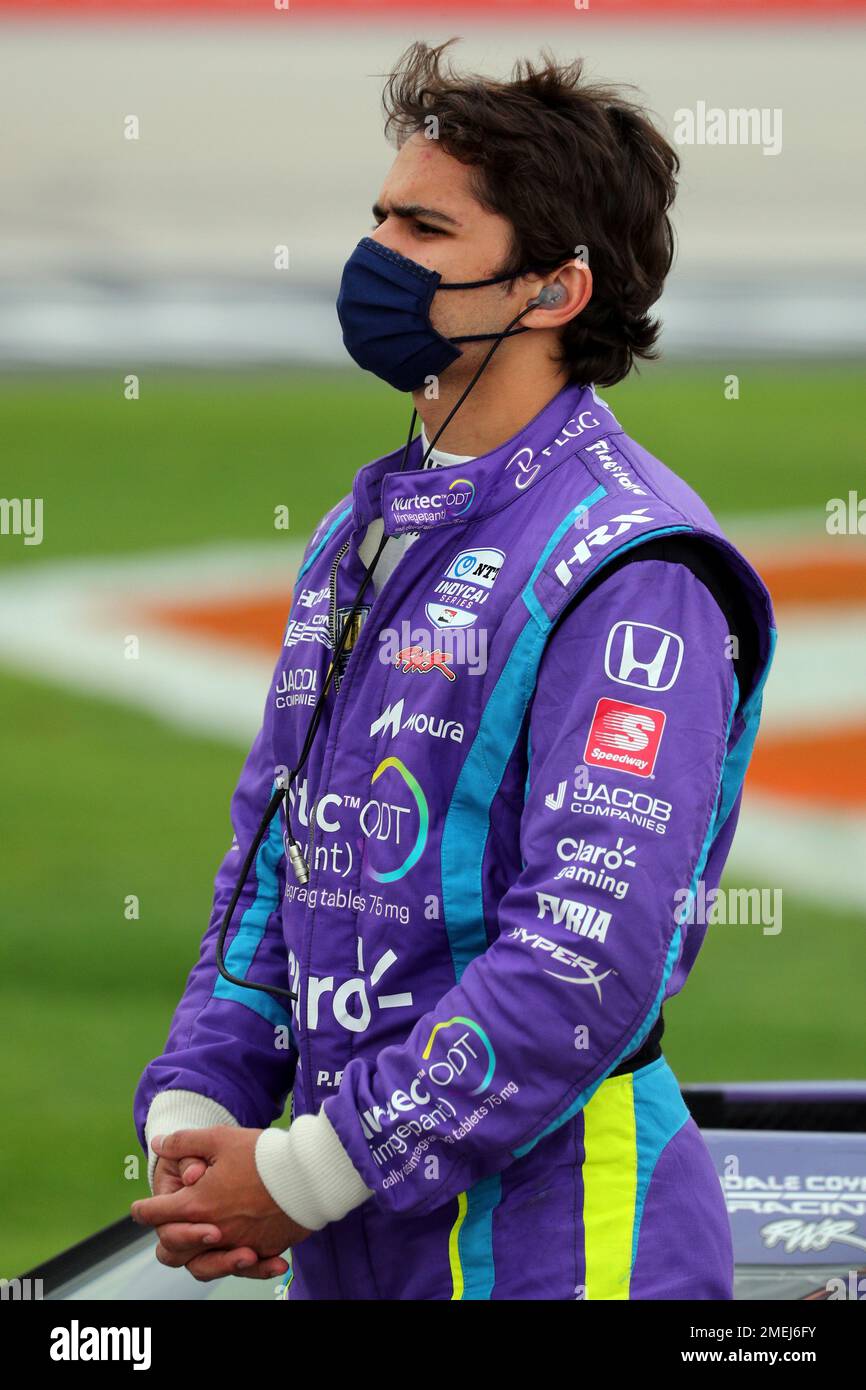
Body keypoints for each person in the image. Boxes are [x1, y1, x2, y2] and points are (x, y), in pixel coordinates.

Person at [131, 40, 775, 1300]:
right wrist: (197, 1113)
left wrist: (304, 1174)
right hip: (353, 1233)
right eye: (376, 215)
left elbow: (582, 954)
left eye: (424, 227)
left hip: (560, 1245)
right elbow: (281, 851)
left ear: (551, 290)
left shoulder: (633, 563)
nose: (374, 255)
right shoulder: (362, 529)